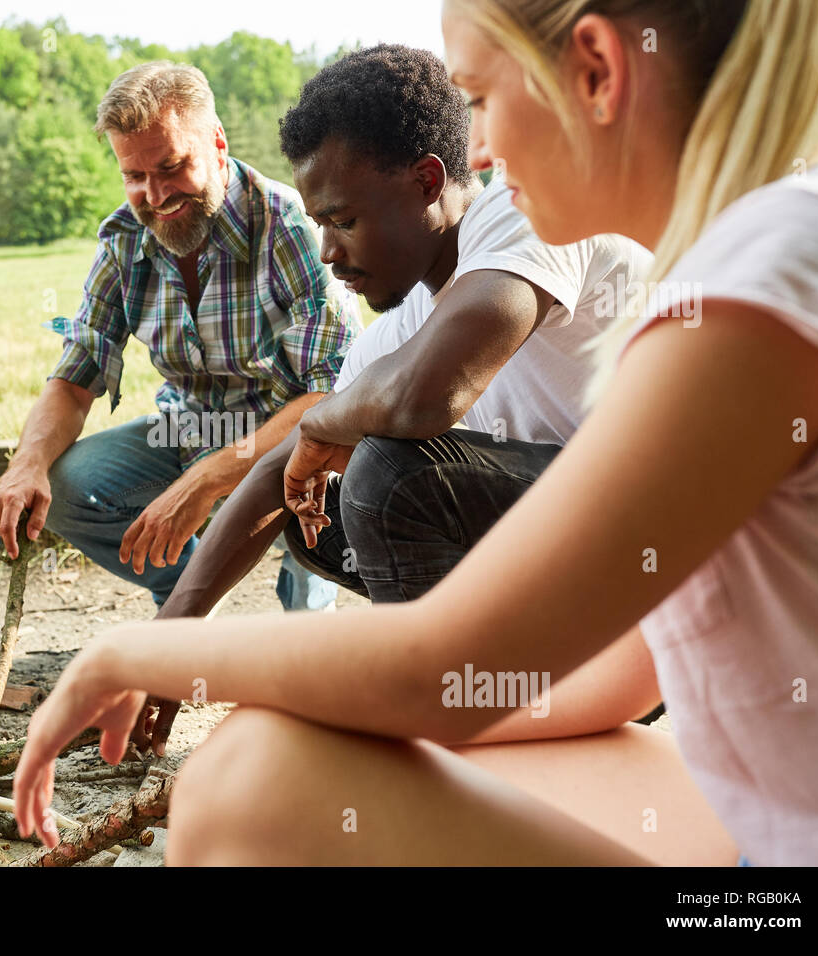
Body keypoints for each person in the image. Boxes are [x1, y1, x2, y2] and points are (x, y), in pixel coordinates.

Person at [12, 0, 818, 867]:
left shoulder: (763, 276)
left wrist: (124, 654)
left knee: (254, 780)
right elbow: (627, 673)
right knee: (299, 746)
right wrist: (392, 712)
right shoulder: (757, 252)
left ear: (597, 71)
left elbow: (440, 671)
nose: (478, 149)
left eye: (482, 99)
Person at [133, 45, 655, 754]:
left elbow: (431, 396)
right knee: (307, 503)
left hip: (665, 553)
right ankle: (494, 691)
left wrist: (321, 422)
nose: (325, 248)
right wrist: (171, 646)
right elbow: (273, 475)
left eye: (343, 220)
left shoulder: (524, 206)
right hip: (571, 570)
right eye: (319, 223)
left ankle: (432, 723)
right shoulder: (398, 331)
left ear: (426, 182)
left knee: (387, 471)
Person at [0, 61, 361, 612]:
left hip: (292, 440)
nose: (155, 196)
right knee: (68, 485)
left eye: (173, 167)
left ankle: (300, 620)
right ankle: (187, 595)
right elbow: (77, 374)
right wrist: (26, 465)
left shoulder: (289, 225)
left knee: (307, 600)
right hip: (185, 429)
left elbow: (331, 394)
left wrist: (209, 478)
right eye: (134, 177)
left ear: (217, 141)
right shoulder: (122, 239)